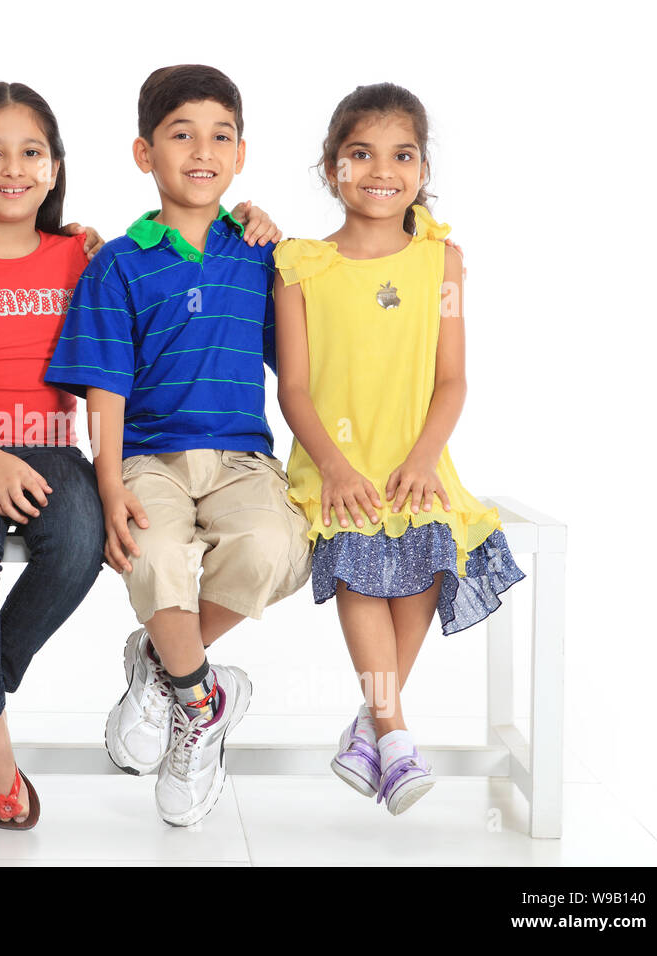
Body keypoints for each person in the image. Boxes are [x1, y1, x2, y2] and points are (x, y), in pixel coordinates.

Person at [44, 65, 310, 827]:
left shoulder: (264, 254)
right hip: (146, 459)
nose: (202, 150)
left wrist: (283, 246)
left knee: (274, 546)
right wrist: (107, 483)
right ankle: (202, 699)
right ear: (143, 153)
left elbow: (301, 363)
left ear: (242, 152)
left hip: (241, 457)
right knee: (155, 554)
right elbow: (106, 390)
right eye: (181, 134)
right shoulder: (119, 262)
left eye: (220, 135)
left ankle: (160, 662)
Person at [273, 82, 526, 816]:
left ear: (420, 170)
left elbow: (452, 380)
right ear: (331, 169)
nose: (381, 169)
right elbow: (293, 389)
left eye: (401, 155)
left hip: (419, 455)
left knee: (424, 559)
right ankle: (394, 732)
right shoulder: (301, 265)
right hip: (334, 461)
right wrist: (340, 467)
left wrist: (420, 461)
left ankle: (372, 731)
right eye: (360, 153)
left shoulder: (440, 262)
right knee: (359, 566)